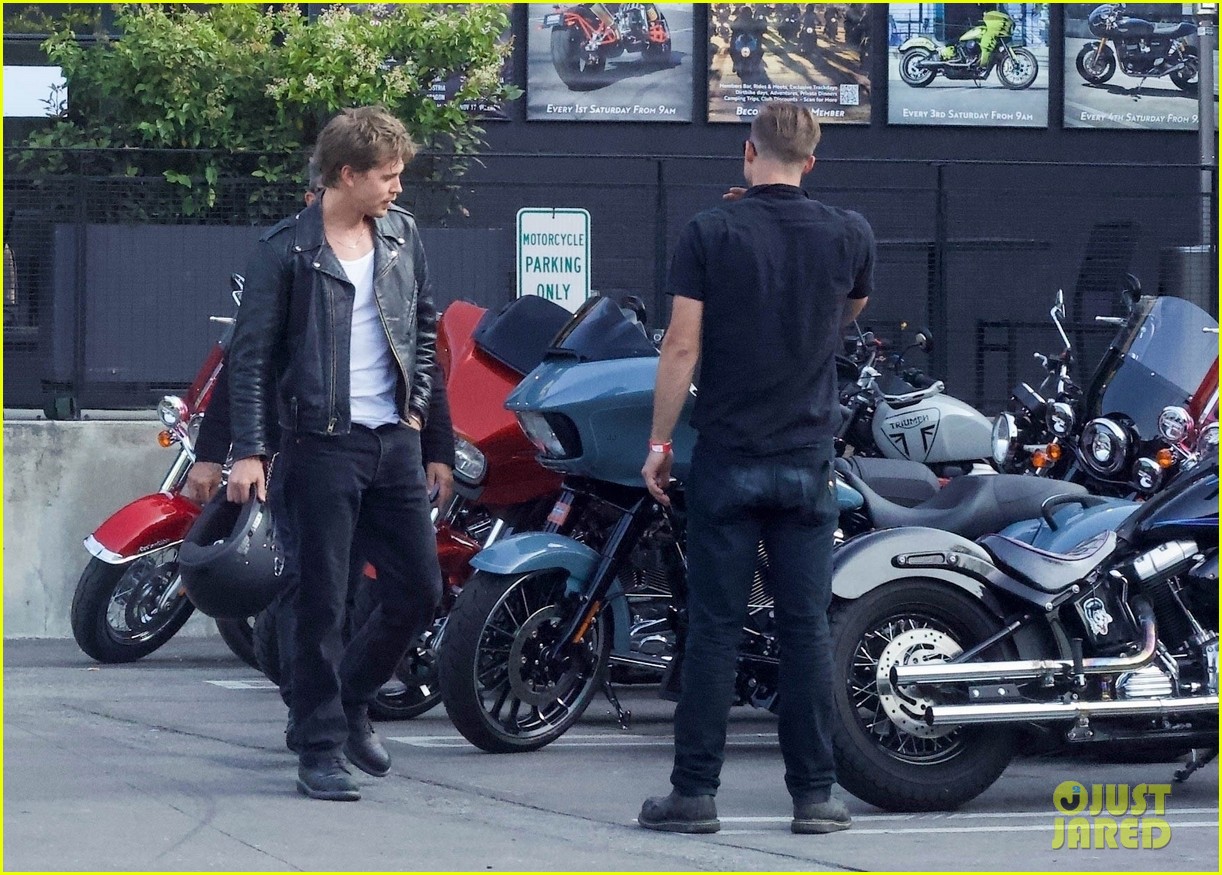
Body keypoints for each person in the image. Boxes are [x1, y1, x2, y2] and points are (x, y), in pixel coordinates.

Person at [638, 101, 874, 835]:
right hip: (808, 463)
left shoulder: (711, 231)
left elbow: (680, 346)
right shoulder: (849, 234)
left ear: (748, 153)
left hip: (730, 461)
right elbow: (851, 309)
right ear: (812, 160)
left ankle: (695, 794)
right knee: (806, 630)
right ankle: (814, 795)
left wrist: (660, 441)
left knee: (714, 628)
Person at [226, 106, 443, 802]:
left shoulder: (404, 237)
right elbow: (252, 355)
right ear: (345, 175)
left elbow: (425, 331)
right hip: (319, 446)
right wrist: (249, 450)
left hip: (393, 445)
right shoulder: (286, 249)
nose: (397, 188)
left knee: (419, 591)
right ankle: (319, 745)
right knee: (320, 601)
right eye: (386, 176)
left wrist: (420, 424)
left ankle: (349, 698)